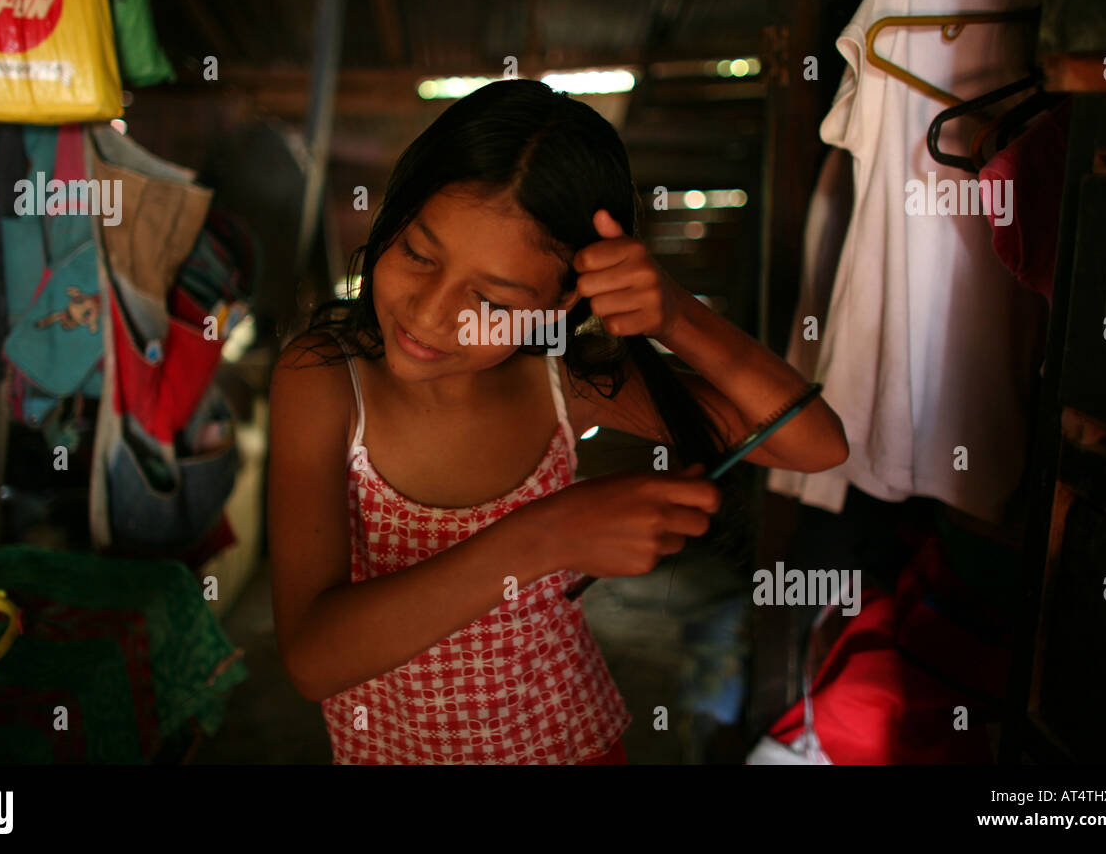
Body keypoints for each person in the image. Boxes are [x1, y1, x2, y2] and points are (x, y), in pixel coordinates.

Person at [267, 78, 848, 764]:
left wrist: (677, 314)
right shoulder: (326, 380)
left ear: (564, 300)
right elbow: (314, 657)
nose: (428, 315)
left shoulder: (562, 379)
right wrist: (544, 535)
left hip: (573, 744)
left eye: (492, 299)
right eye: (419, 255)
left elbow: (814, 443)